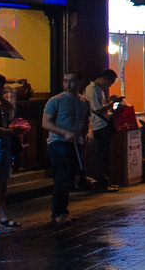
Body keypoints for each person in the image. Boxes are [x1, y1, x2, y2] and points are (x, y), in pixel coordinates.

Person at [42, 72, 90, 225]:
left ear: (79, 83)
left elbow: (85, 121)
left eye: (72, 81)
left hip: (75, 143)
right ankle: (58, 213)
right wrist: (64, 133)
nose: (69, 84)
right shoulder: (55, 100)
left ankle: (63, 210)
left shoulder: (84, 102)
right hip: (58, 142)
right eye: (66, 81)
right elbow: (46, 123)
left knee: (70, 177)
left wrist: (87, 133)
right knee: (61, 177)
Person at [82, 69, 120, 192]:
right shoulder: (92, 89)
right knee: (102, 156)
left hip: (103, 125)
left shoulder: (98, 89)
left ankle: (105, 182)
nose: (109, 85)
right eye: (110, 83)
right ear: (104, 78)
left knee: (105, 155)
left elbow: (100, 105)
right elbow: (98, 109)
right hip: (99, 126)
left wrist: (109, 101)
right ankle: (102, 183)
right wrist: (112, 103)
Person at [0, 73, 18, 230]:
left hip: (0, 146)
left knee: (1, 183)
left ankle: (0, 216)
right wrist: (11, 132)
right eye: (0, 87)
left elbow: (9, 107)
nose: (3, 90)